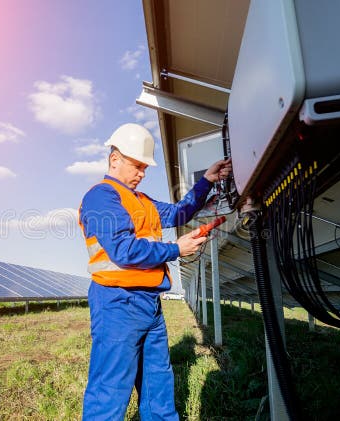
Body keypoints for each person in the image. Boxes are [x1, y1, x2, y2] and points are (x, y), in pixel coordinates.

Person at [79, 123, 232, 420]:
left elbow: (178, 213)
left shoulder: (143, 201)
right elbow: (124, 250)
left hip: (150, 304)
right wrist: (176, 249)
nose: (141, 173)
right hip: (117, 303)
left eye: (145, 168)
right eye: (137, 166)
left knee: (158, 383)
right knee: (111, 389)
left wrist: (208, 181)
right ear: (115, 160)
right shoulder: (102, 197)